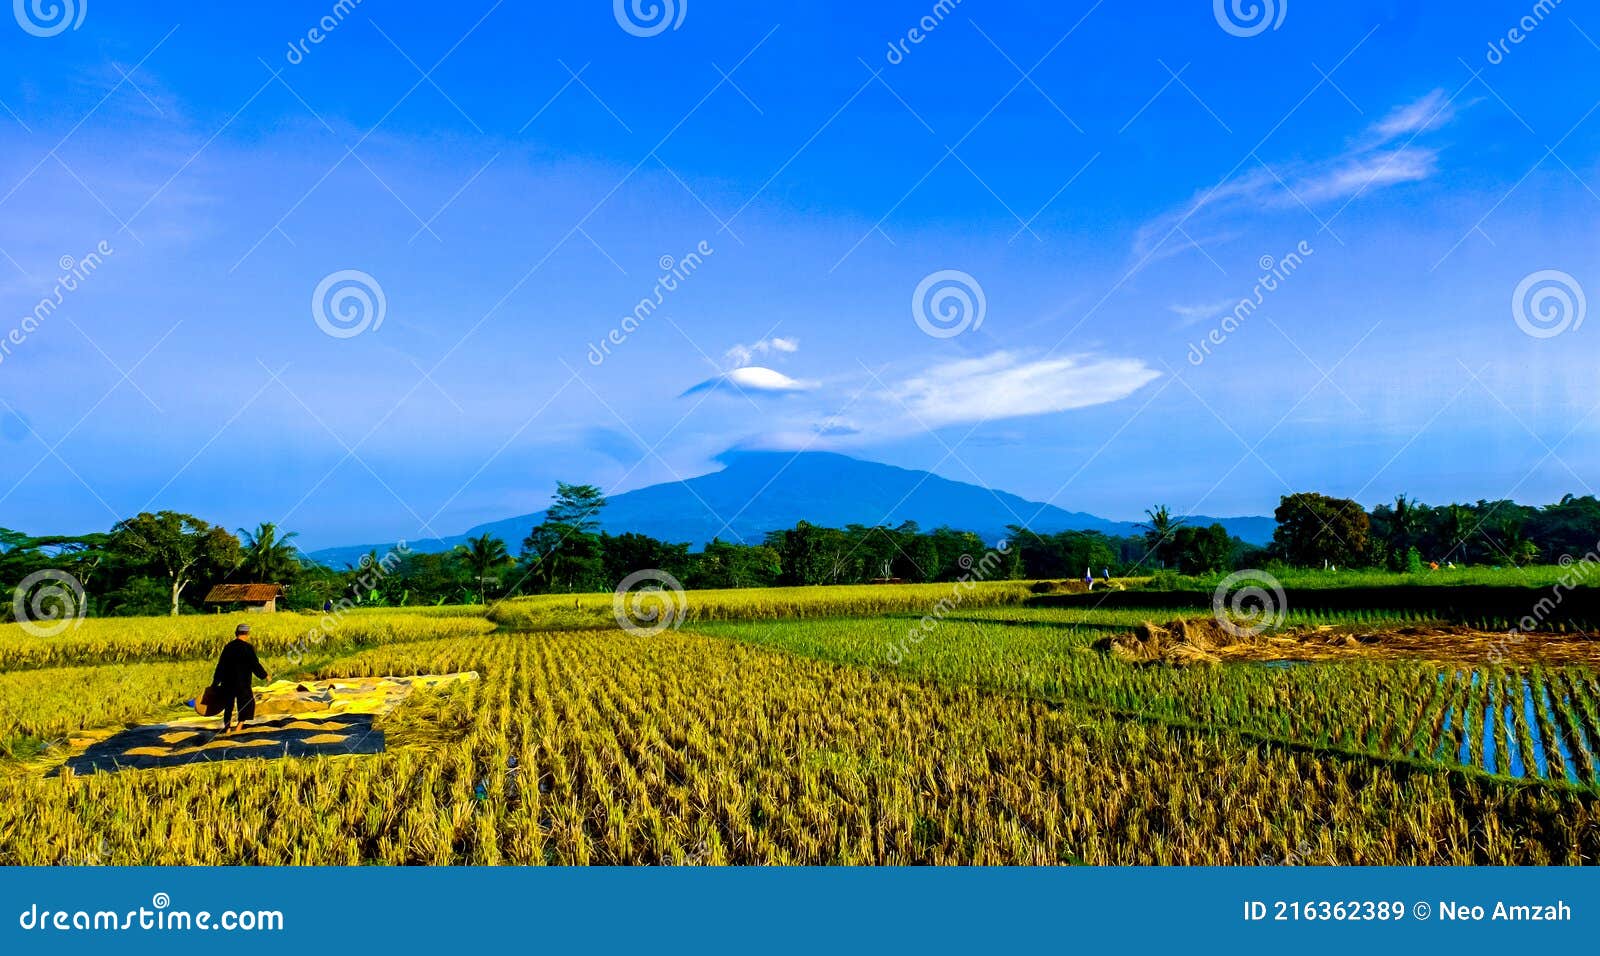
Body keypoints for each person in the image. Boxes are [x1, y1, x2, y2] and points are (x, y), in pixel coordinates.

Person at [212, 623, 269, 734]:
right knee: (246, 703)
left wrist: (215, 682)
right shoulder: (248, 648)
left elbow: (221, 665)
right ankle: (239, 727)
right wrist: (265, 675)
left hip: (227, 681)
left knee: (228, 705)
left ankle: (227, 728)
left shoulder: (228, 647)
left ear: (236, 633)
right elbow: (255, 664)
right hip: (243, 682)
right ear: (247, 634)